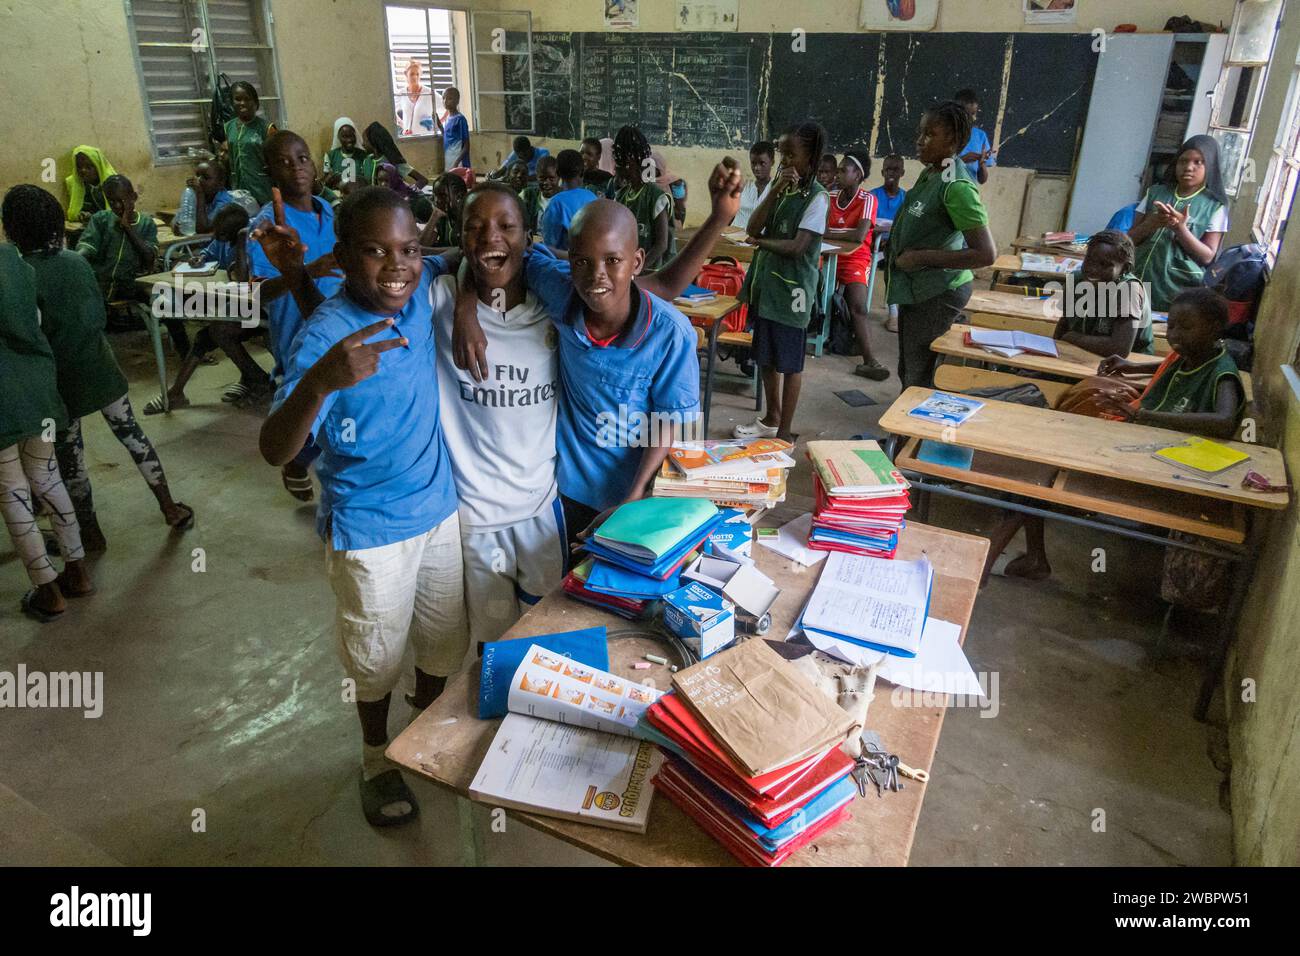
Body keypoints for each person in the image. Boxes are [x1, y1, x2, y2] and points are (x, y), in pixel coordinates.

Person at [257, 186, 465, 827]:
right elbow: (273, 449)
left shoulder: (419, 280)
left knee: (442, 647)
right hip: (370, 530)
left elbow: (462, 255)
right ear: (344, 257)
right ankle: (377, 757)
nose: (397, 265)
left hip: (440, 510)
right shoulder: (323, 337)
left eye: (408, 248)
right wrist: (320, 382)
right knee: (374, 659)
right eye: (375, 251)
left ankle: (421, 730)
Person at [453, 165, 745, 543]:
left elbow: (675, 425)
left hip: (636, 493)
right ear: (568, 261)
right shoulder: (559, 288)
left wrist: (637, 494)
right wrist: (464, 307)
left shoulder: (671, 335)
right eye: (582, 262)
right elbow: (484, 256)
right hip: (566, 491)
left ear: (636, 262)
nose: (596, 277)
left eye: (613, 261)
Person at [991, 288, 1244, 583]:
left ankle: (998, 562)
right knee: (1037, 470)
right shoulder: (1190, 354)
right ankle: (1029, 557)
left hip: (1162, 465)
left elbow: (1225, 421)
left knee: (1037, 477)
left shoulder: (1223, 372)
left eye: (1185, 327)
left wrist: (1145, 416)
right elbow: (1168, 365)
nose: (1175, 334)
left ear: (1214, 328)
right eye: (1171, 325)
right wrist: (1133, 366)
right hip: (1137, 441)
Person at [2, 184, 195, 550]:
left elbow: (30, 334)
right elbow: (95, 315)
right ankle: (168, 506)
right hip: (101, 366)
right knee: (133, 436)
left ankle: (90, 531)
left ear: (11, 229)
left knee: (71, 458)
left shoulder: (22, 274)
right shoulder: (76, 262)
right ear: (58, 224)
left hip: (59, 382)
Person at [247, 131, 345, 501]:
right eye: (285, 163)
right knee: (309, 406)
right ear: (270, 171)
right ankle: (295, 460)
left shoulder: (328, 209)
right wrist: (304, 272)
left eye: (302, 158)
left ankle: (310, 463)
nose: (297, 169)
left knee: (342, 408)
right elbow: (256, 293)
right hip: (298, 334)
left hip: (339, 324)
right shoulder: (267, 224)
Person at [0, 242, 93, 622]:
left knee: (11, 488)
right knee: (47, 474)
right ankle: (78, 571)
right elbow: (33, 319)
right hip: (39, 384)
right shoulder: (12, 261)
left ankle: (46, 589)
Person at [887, 101, 997, 389]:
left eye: (930, 134)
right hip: (917, 286)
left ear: (953, 140)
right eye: (920, 132)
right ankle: (907, 429)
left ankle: (916, 431)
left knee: (920, 374)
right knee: (909, 367)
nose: (920, 141)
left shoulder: (957, 186)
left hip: (937, 291)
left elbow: (985, 253)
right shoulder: (934, 172)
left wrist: (920, 257)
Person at [732, 122, 831, 441]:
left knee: (790, 364)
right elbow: (753, 226)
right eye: (782, 154)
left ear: (811, 157)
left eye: (792, 154)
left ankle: (785, 431)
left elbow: (798, 246)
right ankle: (770, 418)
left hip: (794, 292)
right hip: (766, 287)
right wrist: (774, 191)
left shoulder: (817, 197)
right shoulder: (780, 185)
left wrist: (761, 243)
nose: (785, 161)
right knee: (766, 358)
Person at [143, 204, 257, 415]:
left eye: (221, 233)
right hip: (232, 304)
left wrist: (242, 242)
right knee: (206, 335)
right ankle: (252, 378)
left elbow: (243, 277)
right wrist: (202, 258)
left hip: (257, 308)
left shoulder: (251, 242)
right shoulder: (222, 240)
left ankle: (255, 379)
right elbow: (210, 250)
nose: (216, 236)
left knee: (213, 333)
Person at [1129, 134, 1229, 313]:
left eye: (1198, 162)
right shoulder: (1155, 192)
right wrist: (1152, 223)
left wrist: (1180, 229)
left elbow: (1208, 256)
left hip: (1176, 288)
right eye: (1183, 161)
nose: (1189, 167)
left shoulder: (1214, 207)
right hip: (1137, 276)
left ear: (1211, 166)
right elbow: (1129, 240)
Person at [826, 149, 888, 381]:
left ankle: (870, 361)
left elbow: (859, 236)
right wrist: (841, 234)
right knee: (811, 291)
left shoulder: (867, 199)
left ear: (858, 176)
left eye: (843, 170)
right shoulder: (830, 197)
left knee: (859, 306)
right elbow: (818, 230)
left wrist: (830, 233)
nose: (838, 174)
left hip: (855, 257)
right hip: (827, 255)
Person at [1051, 230, 1152, 358]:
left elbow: (1120, 349)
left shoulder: (1129, 290)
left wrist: (1072, 338)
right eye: (1089, 260)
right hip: (1082, 354)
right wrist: (1053, 351)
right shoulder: (1076, 279)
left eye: (1104, 265)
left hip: (1126, 367)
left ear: (1125, 268)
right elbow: (1065, 323)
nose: (1093, 269)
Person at [610, 125, 671, 271]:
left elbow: (661, 245)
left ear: (630, 162)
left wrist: (636, 269)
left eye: (618, 164)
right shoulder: (622, 195)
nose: (614, 169)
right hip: (629, 270)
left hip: (651, 273)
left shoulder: (655, 196)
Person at [222, 81, 277, 206]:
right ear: (232, 102)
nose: (242, 103)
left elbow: (277, 162)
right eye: (237, 99)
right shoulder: (228, 127)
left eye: (247, 99)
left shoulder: (267, 128)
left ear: (255, 102)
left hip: (262, 189)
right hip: (238, 189)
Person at [869, 153, 907, 333]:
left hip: (894, 247)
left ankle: (895, 312)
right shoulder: (872, 196)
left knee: (897, 258)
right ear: (882, 171)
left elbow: (907, 227)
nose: (891, 173)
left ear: (902, 173)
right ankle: (893, 313)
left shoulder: (907, 199)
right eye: (888, 169)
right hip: (872, 245)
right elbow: (866, 224)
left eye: (896, 169)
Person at [539, 149, 598, 252]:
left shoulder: (556, 203)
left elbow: (549, 247)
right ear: (582, 171)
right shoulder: (592, 197)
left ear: (557, 172)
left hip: (566, 265)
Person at [65, 146, 116, 222]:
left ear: (98, 166)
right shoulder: (74, 183)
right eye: (79, 167)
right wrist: (82, 215)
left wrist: (94, 217)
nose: (83, 170)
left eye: (89, 167)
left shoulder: (113, 183)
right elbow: (74, 213)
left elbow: (117, 214)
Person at [955, 89, 995, 185]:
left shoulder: (980, 136)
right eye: (968, 114)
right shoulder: (945, 134)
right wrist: (962, 160)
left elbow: (982, 180)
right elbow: (936, 171)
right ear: (955, 112)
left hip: (967, 194)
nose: (973, 118)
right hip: (944, 193)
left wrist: (982, 163)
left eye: (974, 113)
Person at [733, 140, 774, 230]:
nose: (757, 168)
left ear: (772, 162)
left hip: (757, 240)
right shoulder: (744, 186)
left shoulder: (776, 189)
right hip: (733, 237)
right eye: (753, 163)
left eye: (762, 163)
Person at [421, 172, 468, 248]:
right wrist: (434, 216)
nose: (436, 200)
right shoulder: (443, 215)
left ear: (459, 196)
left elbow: (463, 251)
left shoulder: (469, 218)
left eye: (442, 195)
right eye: (435, 195)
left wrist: (428, 251)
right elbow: (423, 244)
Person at [322, 117, 367, 190]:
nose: (349, 140)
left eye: (351, 136)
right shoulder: (330, 156)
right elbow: (326, 180)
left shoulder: (363, 155)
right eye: (344, 136)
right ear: (338, 137)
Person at [396, 59, 437, 137]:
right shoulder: (400, 93)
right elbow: (392, 113)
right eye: (412, 74)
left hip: (426, 138)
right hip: (408, 139)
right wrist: (403, 126)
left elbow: (447, 107)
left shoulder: (429, 92)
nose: (415, 77)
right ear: (405, 74)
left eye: (417, 74)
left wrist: (436, 124)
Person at [520, 156, 559, 233]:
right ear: (536, 177)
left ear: (559, 177)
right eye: (542, 178)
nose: (546, 183)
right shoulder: (528, 195)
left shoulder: (565, 199)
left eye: (551, 178)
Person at [438, 87, 471, 169]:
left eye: (449, 98)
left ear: (457, 101)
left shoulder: (460, 119)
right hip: (449, 158)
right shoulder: (448, 118)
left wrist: (457, 162)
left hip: (459, 162)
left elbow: (466, 146)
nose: (445, 101)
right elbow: (447, 136)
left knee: (459, 180)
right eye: (443, 98)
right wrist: (439, 125)